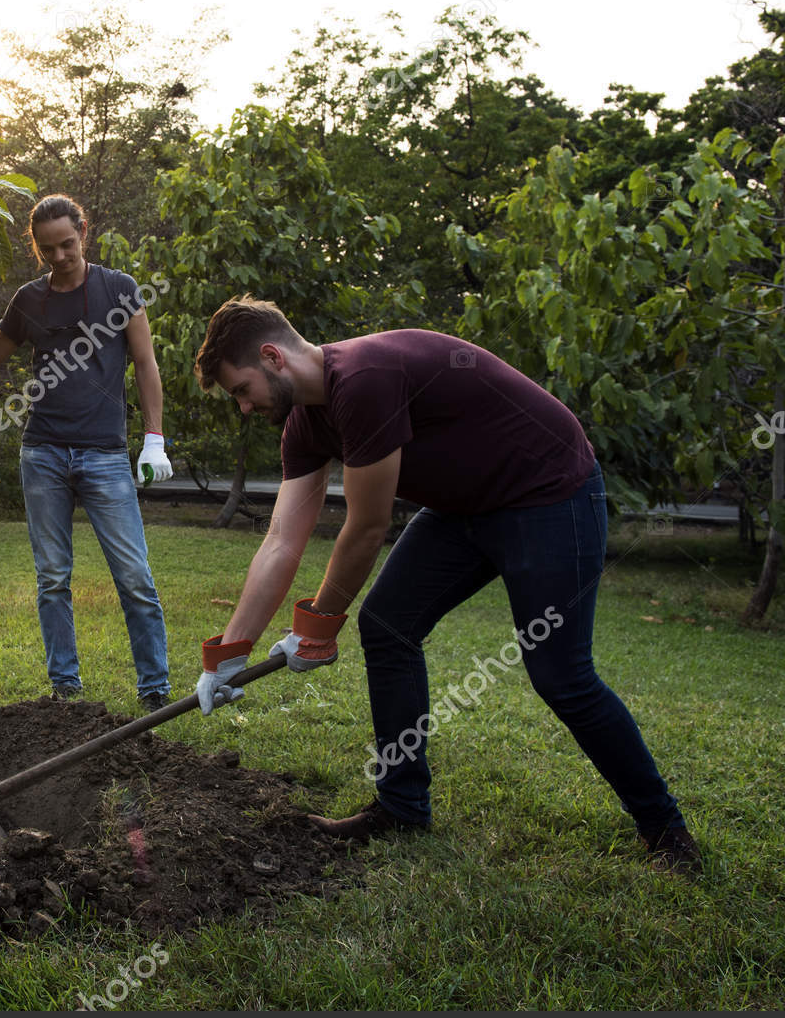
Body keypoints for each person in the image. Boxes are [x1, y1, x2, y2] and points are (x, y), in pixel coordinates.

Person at [190, 296, 701, 873]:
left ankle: (665, 829)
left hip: (550, 494)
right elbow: (281, 540)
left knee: (562, 677)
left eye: (240, 389)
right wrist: (228, 654)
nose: (242, 407)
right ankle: (402, 806)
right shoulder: (306, 427)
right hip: (465, 510)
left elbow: (366, 528)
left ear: (271, 357)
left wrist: (315, 629)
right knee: (387, 626)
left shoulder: (363, 380)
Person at [0, 194, 173, 711]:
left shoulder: (119, 289)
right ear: (36, 248)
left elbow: (145, 362)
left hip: (106, 455)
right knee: (53, 579)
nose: (60, 256)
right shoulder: (29, 300)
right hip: (42, 453)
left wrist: (154, 436)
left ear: (84, 230)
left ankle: (155, 689)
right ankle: (65, 689)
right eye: (48, 250)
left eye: (68, 243)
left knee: (134, 577)